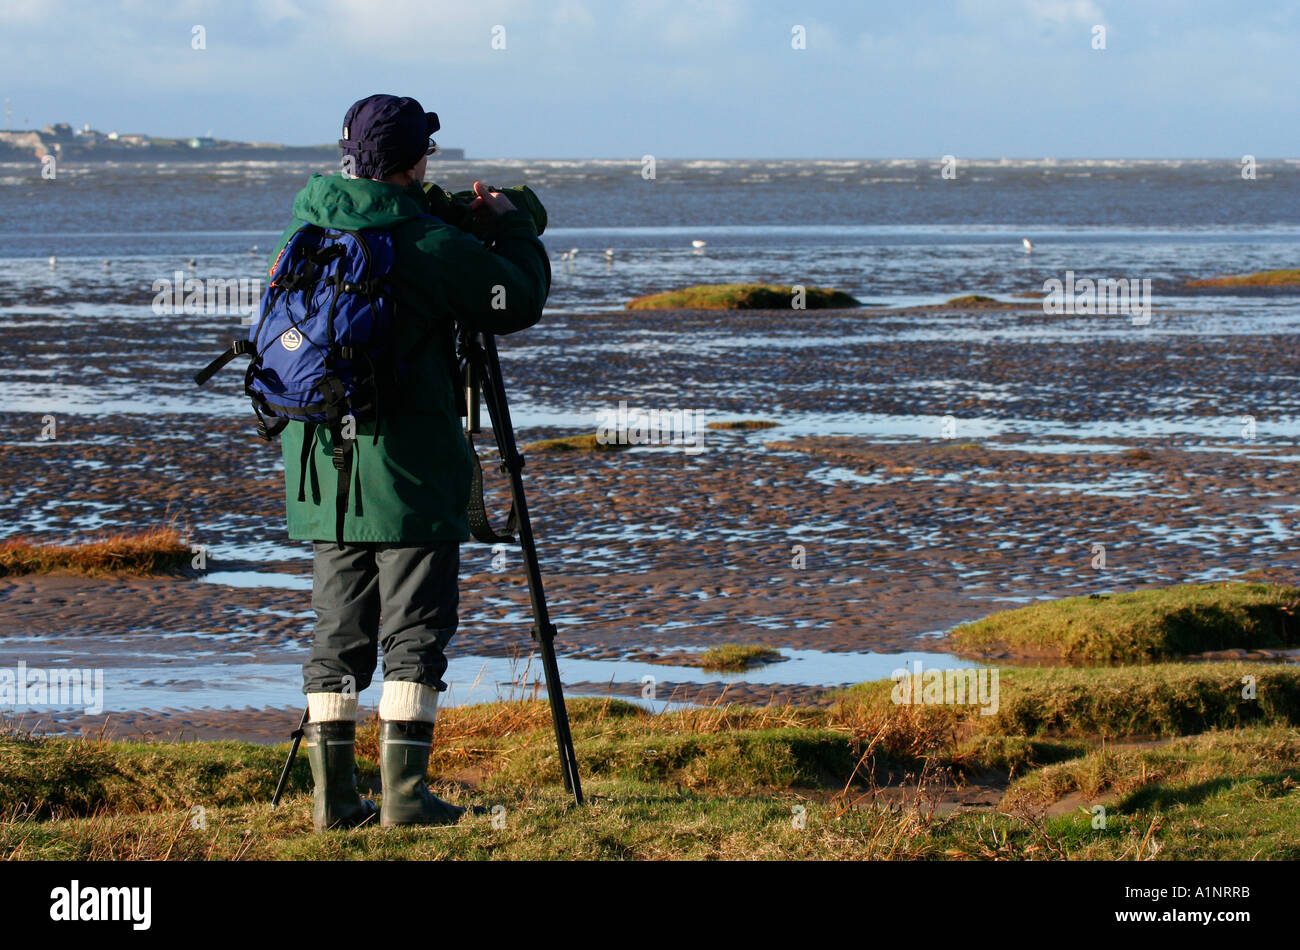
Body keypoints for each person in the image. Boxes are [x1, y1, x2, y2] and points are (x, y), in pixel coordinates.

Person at [266, 93, 550, 830]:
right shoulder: (426, 244)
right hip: (411, 468)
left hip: (320, 465)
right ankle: (403, 798)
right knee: (416, 631)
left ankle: (334, 802)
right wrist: (513, 228)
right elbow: (515, 300)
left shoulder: (308, 227)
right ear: (416, 160)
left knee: (337, 630)